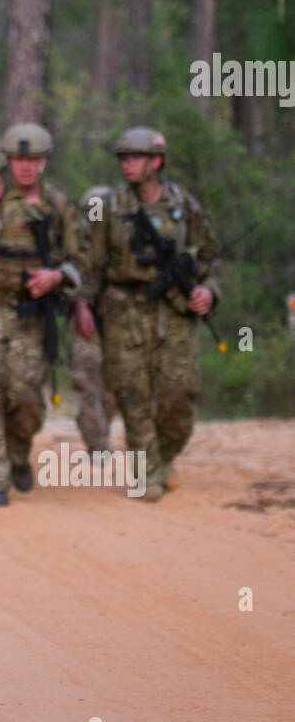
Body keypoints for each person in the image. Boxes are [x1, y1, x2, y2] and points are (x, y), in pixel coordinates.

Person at [75, 127, 220, 501]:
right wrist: (82, 306)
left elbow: (208, 258)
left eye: (134, 157)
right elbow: (91, 264)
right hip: (124, 310)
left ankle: (163, 456)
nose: (127, 164)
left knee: (180, 395)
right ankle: (147, 473)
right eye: (122, 158)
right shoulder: (108, 208)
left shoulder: (185, 206)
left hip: (173, 311)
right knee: (132, 395)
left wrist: (208, 293)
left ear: (156, 161)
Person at [0, 123, 80, 506]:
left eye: (33, 160)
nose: (25, 167)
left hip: (29, 314)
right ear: (7, 161)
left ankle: (17, 454)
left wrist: (57, 276)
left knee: (26, 397)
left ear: (43, 162)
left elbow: (79, 260)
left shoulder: (56, 206)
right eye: (18, 159)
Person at [69, 185, 119, 455]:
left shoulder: (122, 241)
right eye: (90, 212)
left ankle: (97, 432)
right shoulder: (76, 242)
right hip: (85, 318)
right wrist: (79, 304)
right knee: (87, 382)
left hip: (118, 320)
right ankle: (97, 445)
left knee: (111, 392)